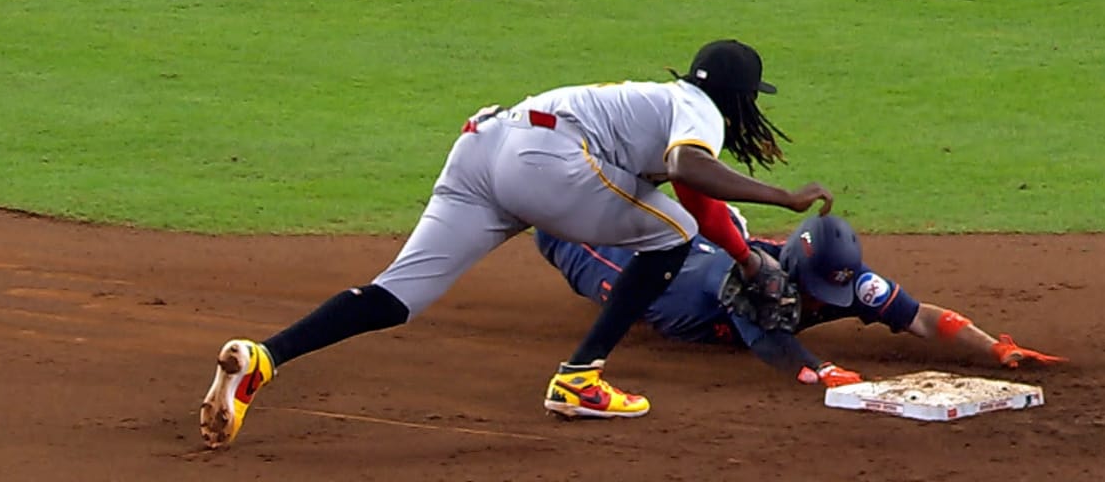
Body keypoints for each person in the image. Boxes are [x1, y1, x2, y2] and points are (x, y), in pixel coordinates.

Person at [199, 39, 835, 448]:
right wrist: (783, 198)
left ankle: (264, 358)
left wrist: (744, 255)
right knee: (673, 238)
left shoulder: (650, 101)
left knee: (396, 296)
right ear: (738, 97)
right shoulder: (699, 111)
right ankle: (580, 379)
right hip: (545, 159)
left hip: (484, 146)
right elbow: (691, 171)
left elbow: (696, 199)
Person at [536, 212, 1065, 385]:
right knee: (558, 228)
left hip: (694, 246)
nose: (824, 299)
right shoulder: (748, 284)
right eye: (817, 289)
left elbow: (922, 318)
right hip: (636, 278)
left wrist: (994, 347)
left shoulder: (843, 277)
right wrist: (822, 371)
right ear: (792, 270)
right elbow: (771, 344)